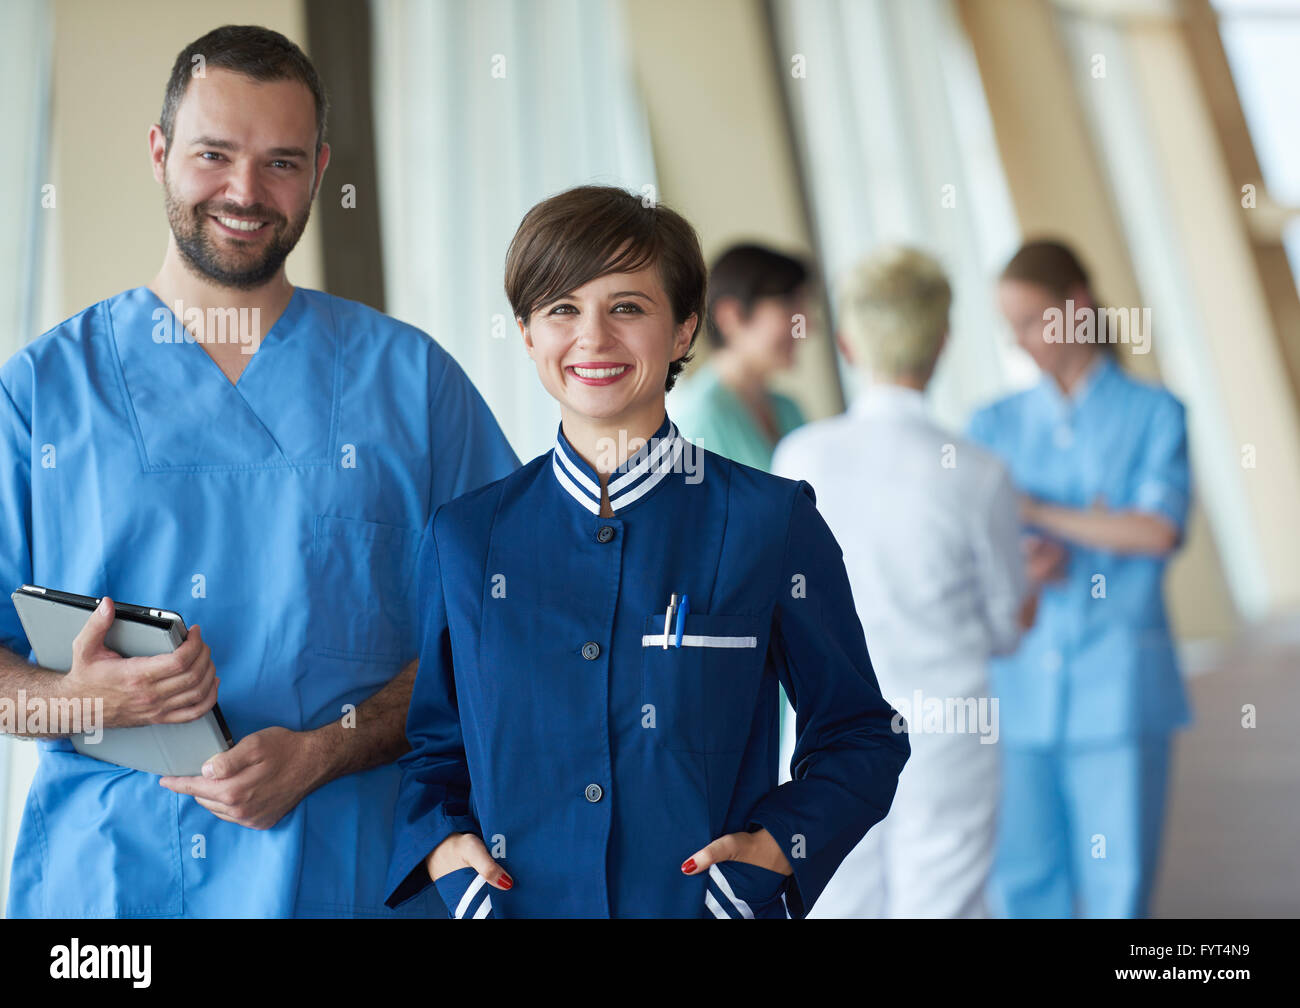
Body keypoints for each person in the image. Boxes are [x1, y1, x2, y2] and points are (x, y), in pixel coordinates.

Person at [0, 25, 517, 918]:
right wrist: (74, 700)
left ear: (319, 171)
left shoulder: (411, 384)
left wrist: (327, 749)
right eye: (214, 154)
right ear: (160, 153)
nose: (245, 192)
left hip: (357, 876)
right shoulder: (41, 394)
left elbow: (504, 622)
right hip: (115, 894)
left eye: (281, 162)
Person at [383, 185, 909, 919]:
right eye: (561, 309)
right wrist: (448, 857)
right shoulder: (466, 539)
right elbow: (435, 754)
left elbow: (862, 734)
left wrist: (768, 856)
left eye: (626, 307)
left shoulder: (770, 521)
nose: (592, 338)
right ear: (527, 334)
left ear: (685, 329)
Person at [773, 247, 1030, 917]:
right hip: (947, 728)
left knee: (837, 901)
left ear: (848, 343)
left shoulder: (800, 456)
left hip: (826, 732)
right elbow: (1007, 626)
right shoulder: (979, 472)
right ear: (942, 341)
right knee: (942, 901)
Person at [968, 239, 1191, 918]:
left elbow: (1156, 530)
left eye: (1032, 321)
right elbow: (973, 549)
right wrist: (1081, 530)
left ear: (1078, 306)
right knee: (1022, 884)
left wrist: (1037, 512)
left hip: (1117, 690)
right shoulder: (991, 424)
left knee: (1117, 885)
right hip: (1017, 693)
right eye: (1011, 326)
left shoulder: (1155, 413)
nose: (1021, 340)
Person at [672, 244, 809, 471]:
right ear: (731, 316)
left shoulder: (788, 409)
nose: (806, 325)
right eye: (789, 306)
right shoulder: (698, 420)